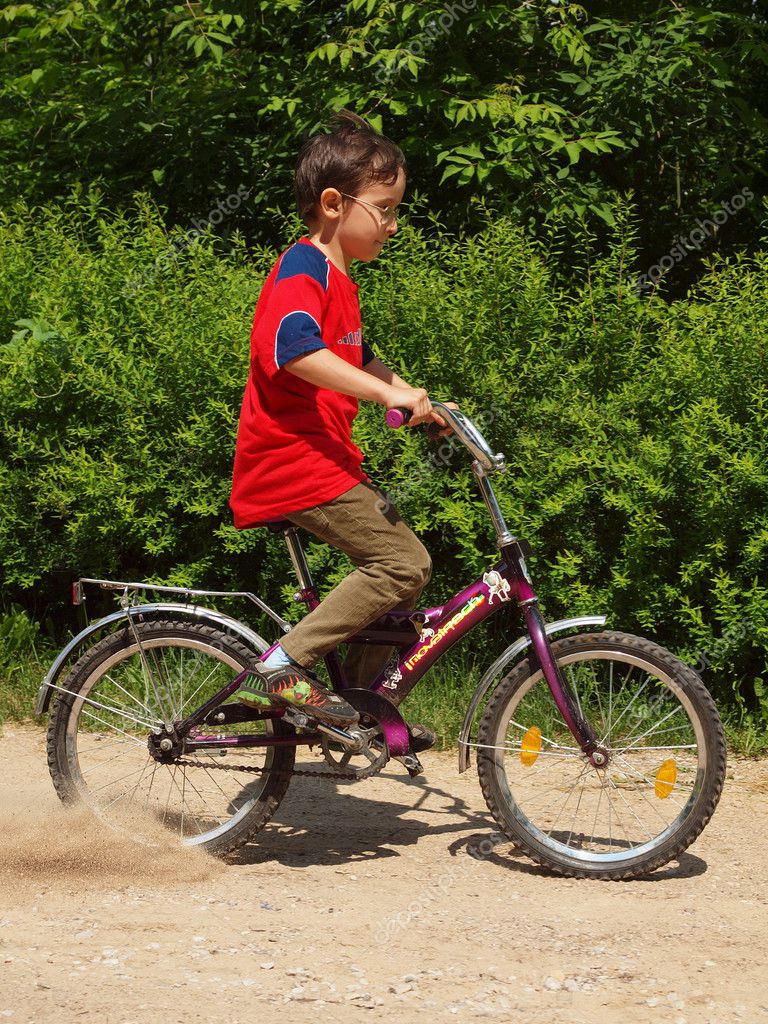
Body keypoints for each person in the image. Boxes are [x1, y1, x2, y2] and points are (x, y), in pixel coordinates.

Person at [229, 108, 451, 740]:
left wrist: (416, 397)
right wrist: (391, 395)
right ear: (334, 203)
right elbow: (294, 349)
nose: (393, 223)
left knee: (400, 586)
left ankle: (356, 708)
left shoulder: (340, 283)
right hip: (290, 460)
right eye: (383, 208)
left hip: (323, 460)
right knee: (404, 564)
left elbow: (357, 354)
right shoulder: (303, 269)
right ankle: (281, 666)